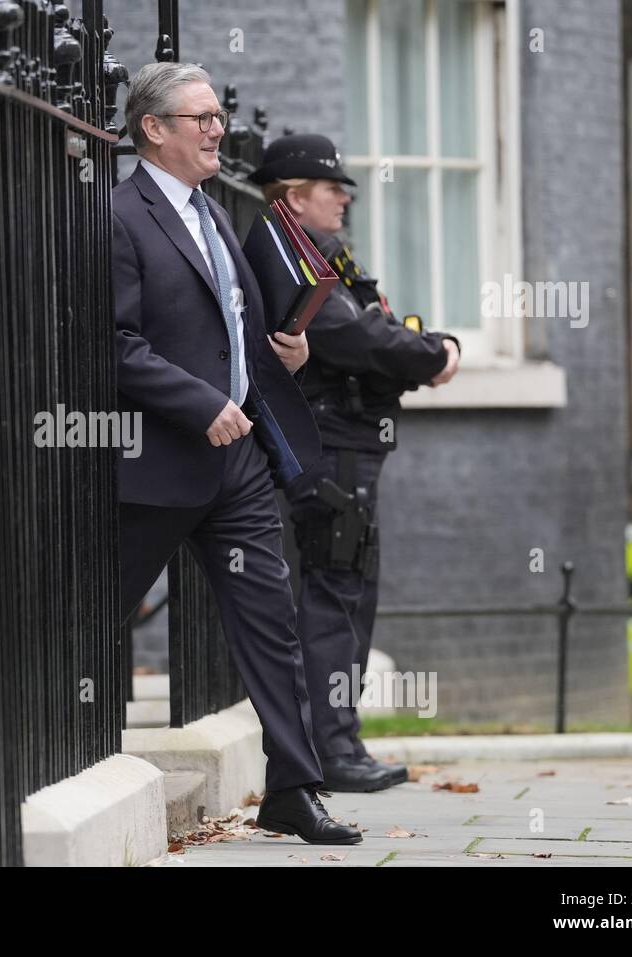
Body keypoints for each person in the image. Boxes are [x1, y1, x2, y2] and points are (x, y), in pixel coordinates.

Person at [114, 64, 359, 843]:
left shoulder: (217, 216)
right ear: (154, 128)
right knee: (96, 619)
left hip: (238, 464)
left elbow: (230, 326)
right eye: (202, 118)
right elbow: (113, 344)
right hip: (155, 467)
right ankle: (66, 761)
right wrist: (201, 402)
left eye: (220, 116)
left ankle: (295, 786)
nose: (218, 130)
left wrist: (275, 358)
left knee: (271, 625)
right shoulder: (118, 214)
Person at [249, 133, 461, 792]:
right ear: (293, 196)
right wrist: (434, 354)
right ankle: (331, 748)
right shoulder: (291, 256)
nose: (344, 196)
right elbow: (352, 335)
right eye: (330, 187)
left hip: (347, 445)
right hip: (330, 446)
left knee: (346, 587)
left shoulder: (312, 252)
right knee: (336, 590)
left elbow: (362, 325)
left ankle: (337, 742)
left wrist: (421, 345)